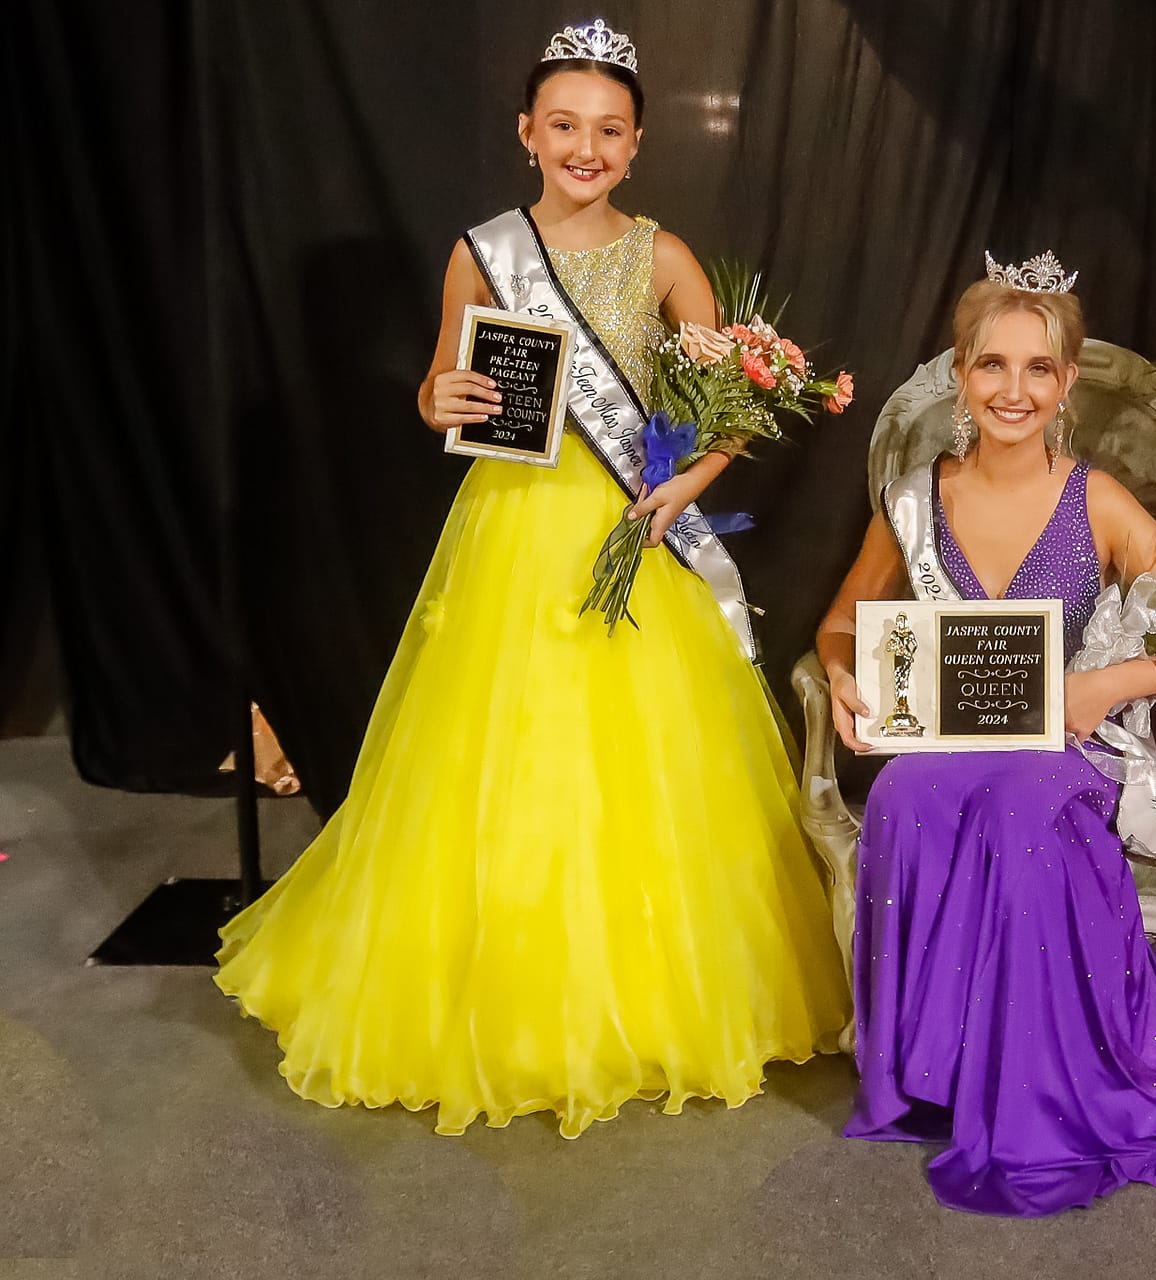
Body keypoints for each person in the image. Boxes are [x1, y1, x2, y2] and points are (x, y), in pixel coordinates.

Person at [214, 18, 848, 1138]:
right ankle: (496, 992)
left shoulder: (663, 257)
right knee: (502, 751)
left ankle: (643, 993)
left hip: (626, 527)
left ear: (639, 142)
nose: (584, 145)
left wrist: (689, 484)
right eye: (563, 125)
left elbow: (738, 400)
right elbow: (438, 383)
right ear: (526, 133)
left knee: (635, 765)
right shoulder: (482, 250)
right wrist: (437, 401)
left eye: (608, 128)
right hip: (508, 523)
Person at [816, 253, 1156, 1216]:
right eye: (991, 366)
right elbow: (846, 617)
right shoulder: (916, 497)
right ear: (960, 375)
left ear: (1063, 385)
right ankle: (934, 1075)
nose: (1013, 390)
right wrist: (849, 676)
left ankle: (1033, 1090)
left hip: (1068, 751)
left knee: (1022, 808)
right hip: (947, 741)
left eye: (1038, 369)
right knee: (900, 795)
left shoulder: (1097, 500)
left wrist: (1110, 682)